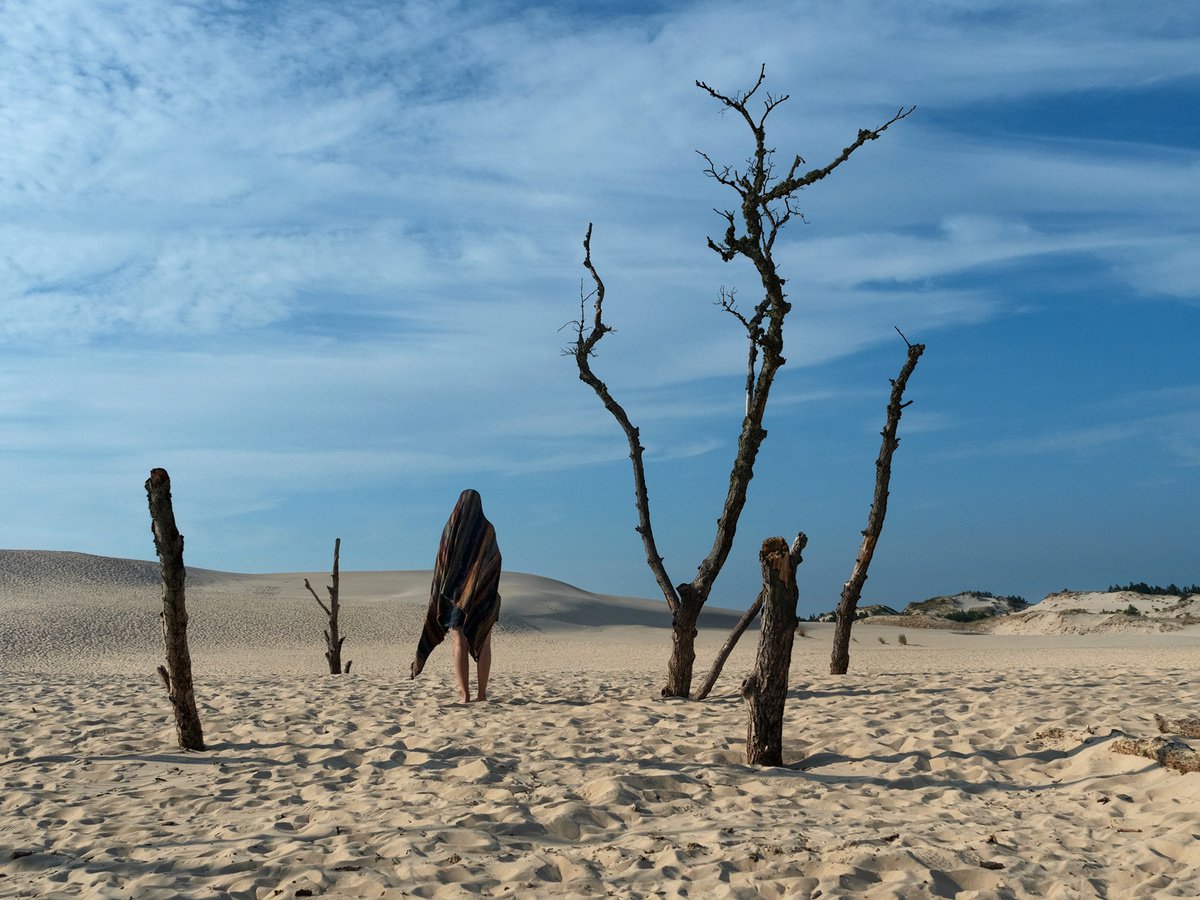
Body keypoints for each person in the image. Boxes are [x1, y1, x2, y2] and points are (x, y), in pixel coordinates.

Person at [410, 489, 502, 702]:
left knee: (459, 642)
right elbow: (495, 562)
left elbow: (441, 565)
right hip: (481, 596)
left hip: (454, 597)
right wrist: (481, 587)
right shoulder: (487, 530)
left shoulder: (450, 529)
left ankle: (465, 695)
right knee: (484, 643)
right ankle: (481, 694)